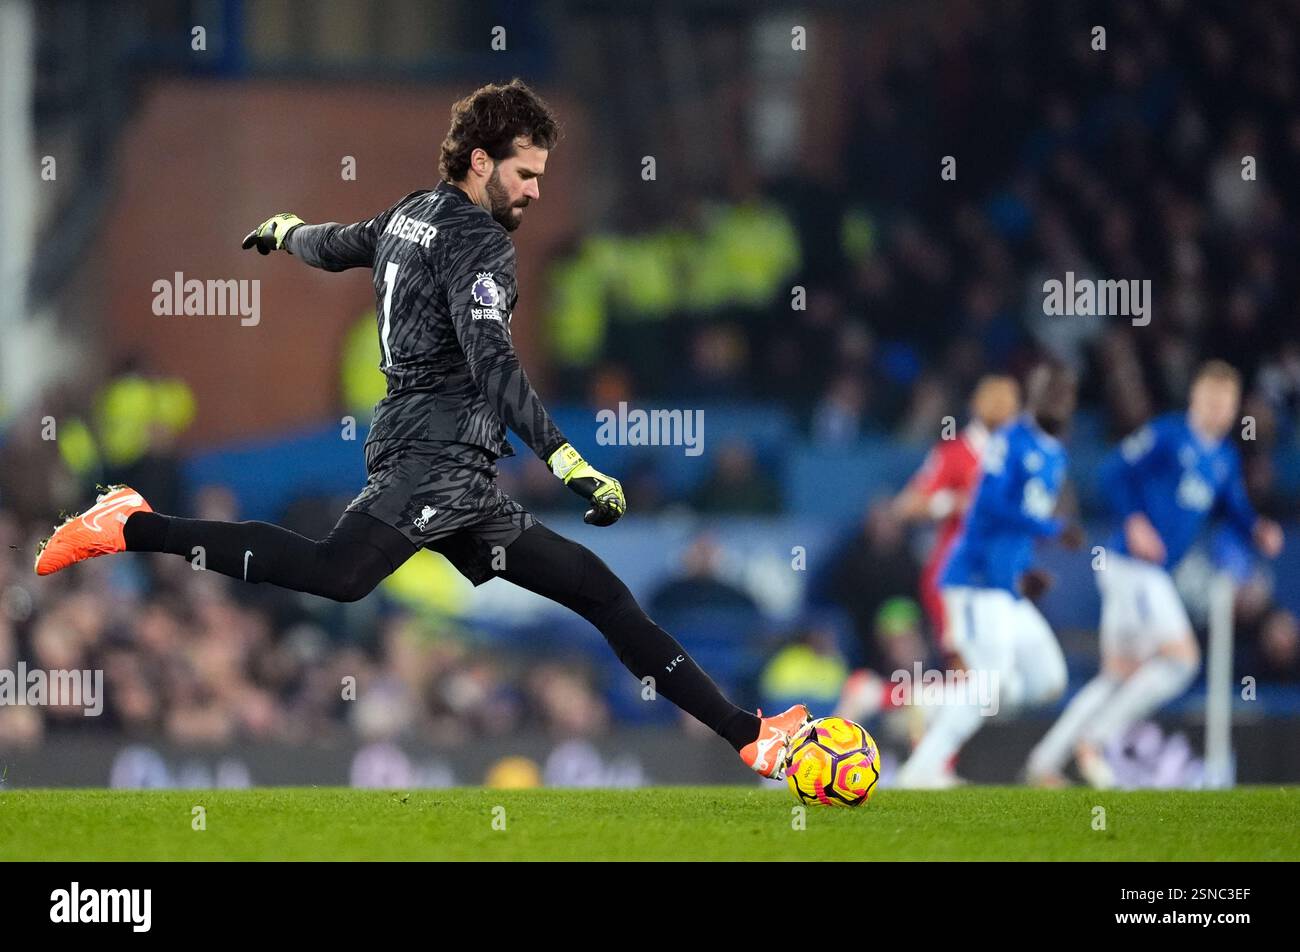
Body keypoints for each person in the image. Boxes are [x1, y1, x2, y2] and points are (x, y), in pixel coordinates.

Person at [33, 79, 810, 780]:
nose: (537, 190)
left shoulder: (411, 212)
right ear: (480, 161)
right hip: (436, 462)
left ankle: (750, 736)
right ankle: (131, 526)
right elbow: (496, 366)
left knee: (598, 591)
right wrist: (570, 462)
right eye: (526, 172)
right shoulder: (480, 244)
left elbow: (341, 243)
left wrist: (287, 230)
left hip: (445, 463)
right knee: (339, 575)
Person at [1026, 360, 1283, 788]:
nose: (1218, 410)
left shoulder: (1222, 457)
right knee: (1182, 662)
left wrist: (1257, 528)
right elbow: (1113, 471)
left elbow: (1232, 506)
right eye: (1212, 399)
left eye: (1227, 402)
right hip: (1132, 567)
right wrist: (1134, 521)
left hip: (1148, 572)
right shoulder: (1167, 435)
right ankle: (1097, 738)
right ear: (1195, 398)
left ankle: (1044, 761)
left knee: (1119, 674)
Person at [894, 363, 1080, 788]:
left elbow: (1015, 522)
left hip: (1005, 583)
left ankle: (929, 701)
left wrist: (1024, 569)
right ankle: (926, 768)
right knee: (980, 680)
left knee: (1045, 679)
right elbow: (920, 504)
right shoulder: (973, 449)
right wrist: (952, 503)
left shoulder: (1044, 450)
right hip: (969, 580)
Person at [892, 375, 1020, 652]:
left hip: (1000, 577)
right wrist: (955, 502)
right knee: (965, 670)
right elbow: (907, 505)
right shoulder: (955, 452)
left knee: (1001, 675)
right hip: (957, 578)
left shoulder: (1017, 456)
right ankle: (889, 694)